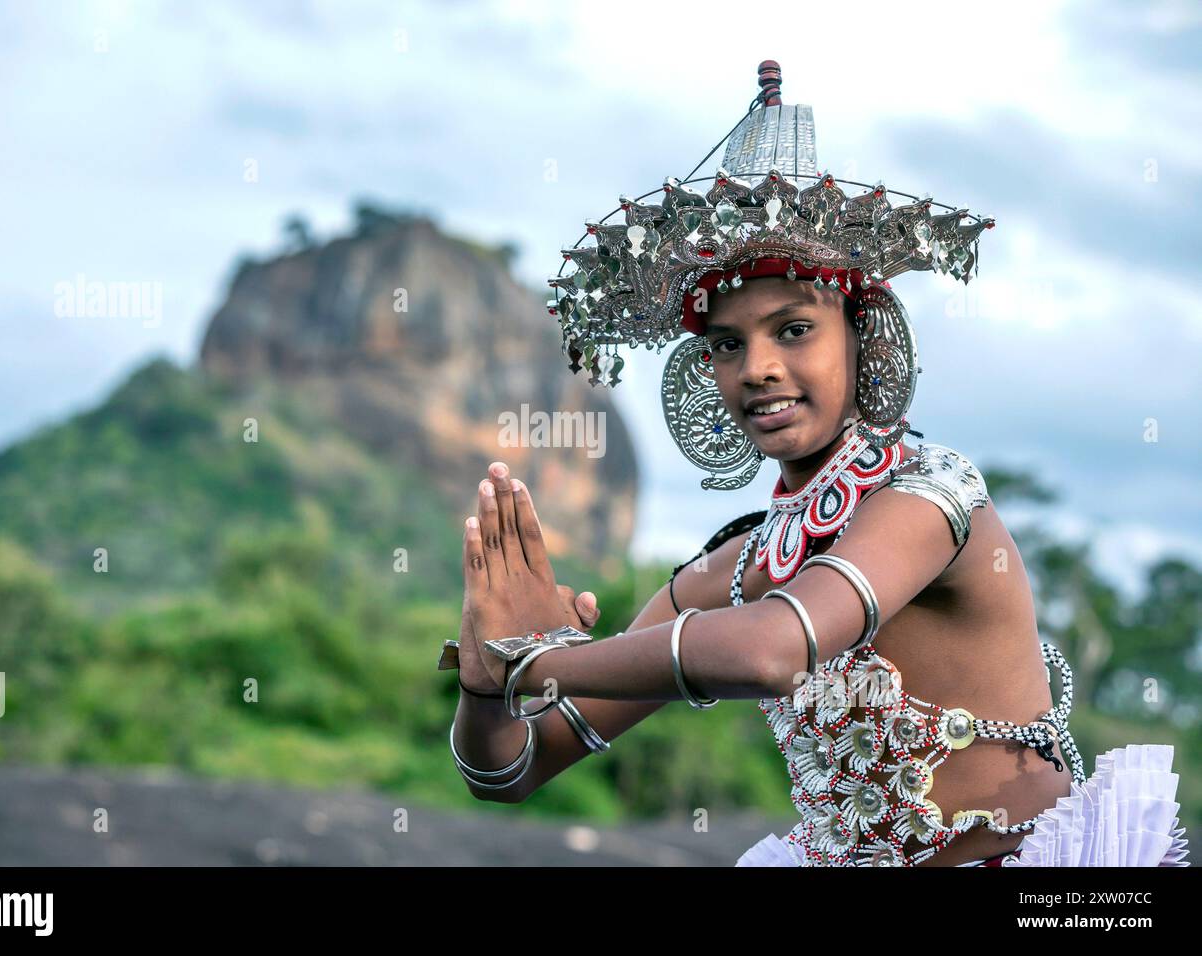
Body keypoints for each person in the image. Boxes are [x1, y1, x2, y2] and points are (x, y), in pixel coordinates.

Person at [442, 61, 1189, 867]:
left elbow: (772, 652)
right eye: (728, 345)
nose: (757, 367)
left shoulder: (929, 500)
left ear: (861, 334)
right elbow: (513, 770)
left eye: (793, 329)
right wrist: (489, 679)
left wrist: (541, 657)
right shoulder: (731, 568)